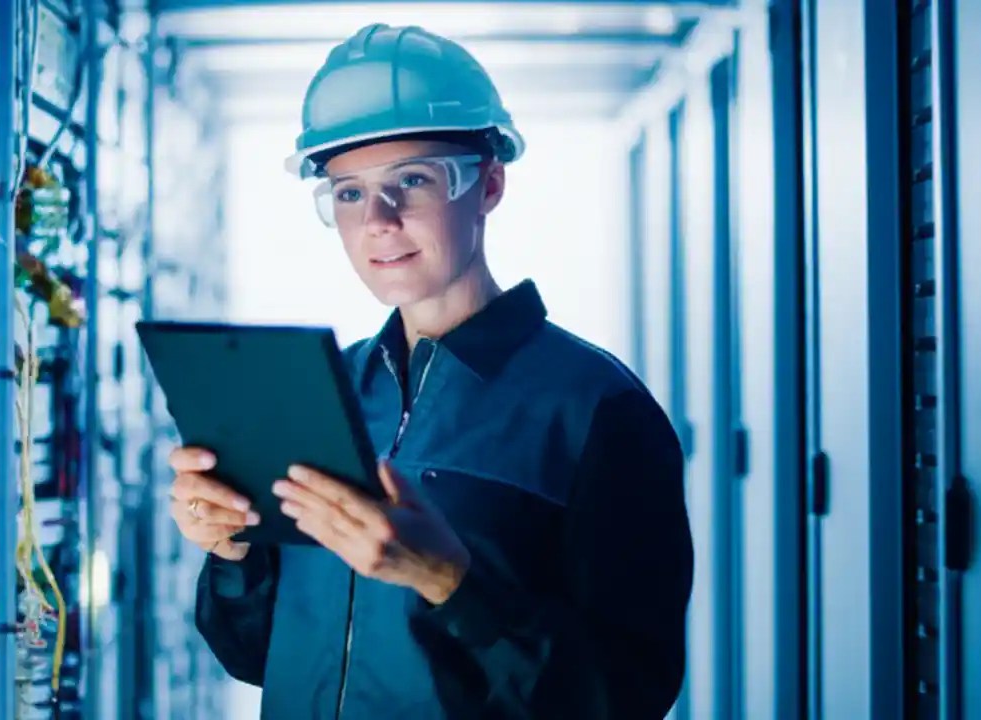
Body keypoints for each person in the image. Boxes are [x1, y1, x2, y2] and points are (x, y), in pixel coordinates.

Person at [168, 23, 693, 720]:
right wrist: (232, 552)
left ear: (490, 185)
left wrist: (448, 580)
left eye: (411, 180)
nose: (378, 221)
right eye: (349, 193)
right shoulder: (327, 393)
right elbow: (252, 654)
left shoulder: (598, 410)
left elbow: (629, 695)